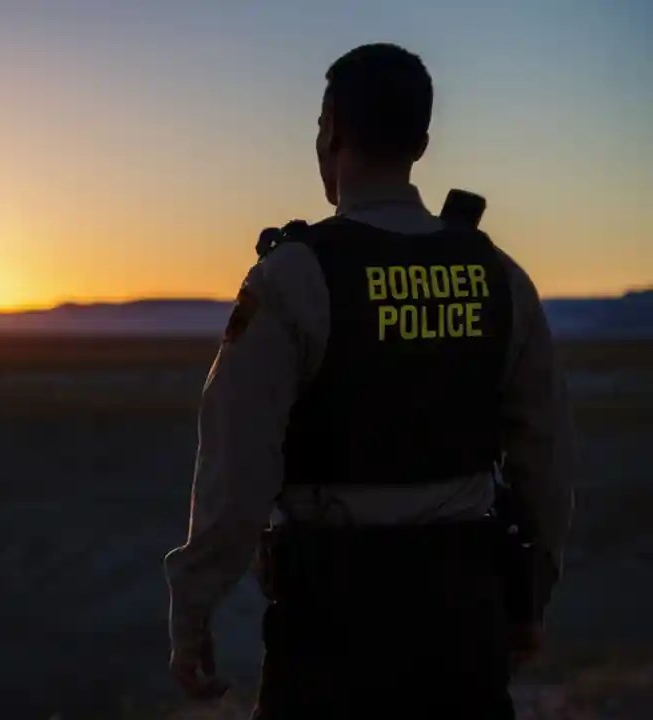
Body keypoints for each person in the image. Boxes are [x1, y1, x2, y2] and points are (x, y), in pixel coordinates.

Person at [163, 43, 575, 718]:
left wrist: (192, 613)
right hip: (464, 617)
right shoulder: (498, 275)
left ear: (331, 131)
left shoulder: (294, 276)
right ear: (421, 140)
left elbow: (235, 471)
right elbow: (546, 461)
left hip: (333, 622)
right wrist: (529, 599)